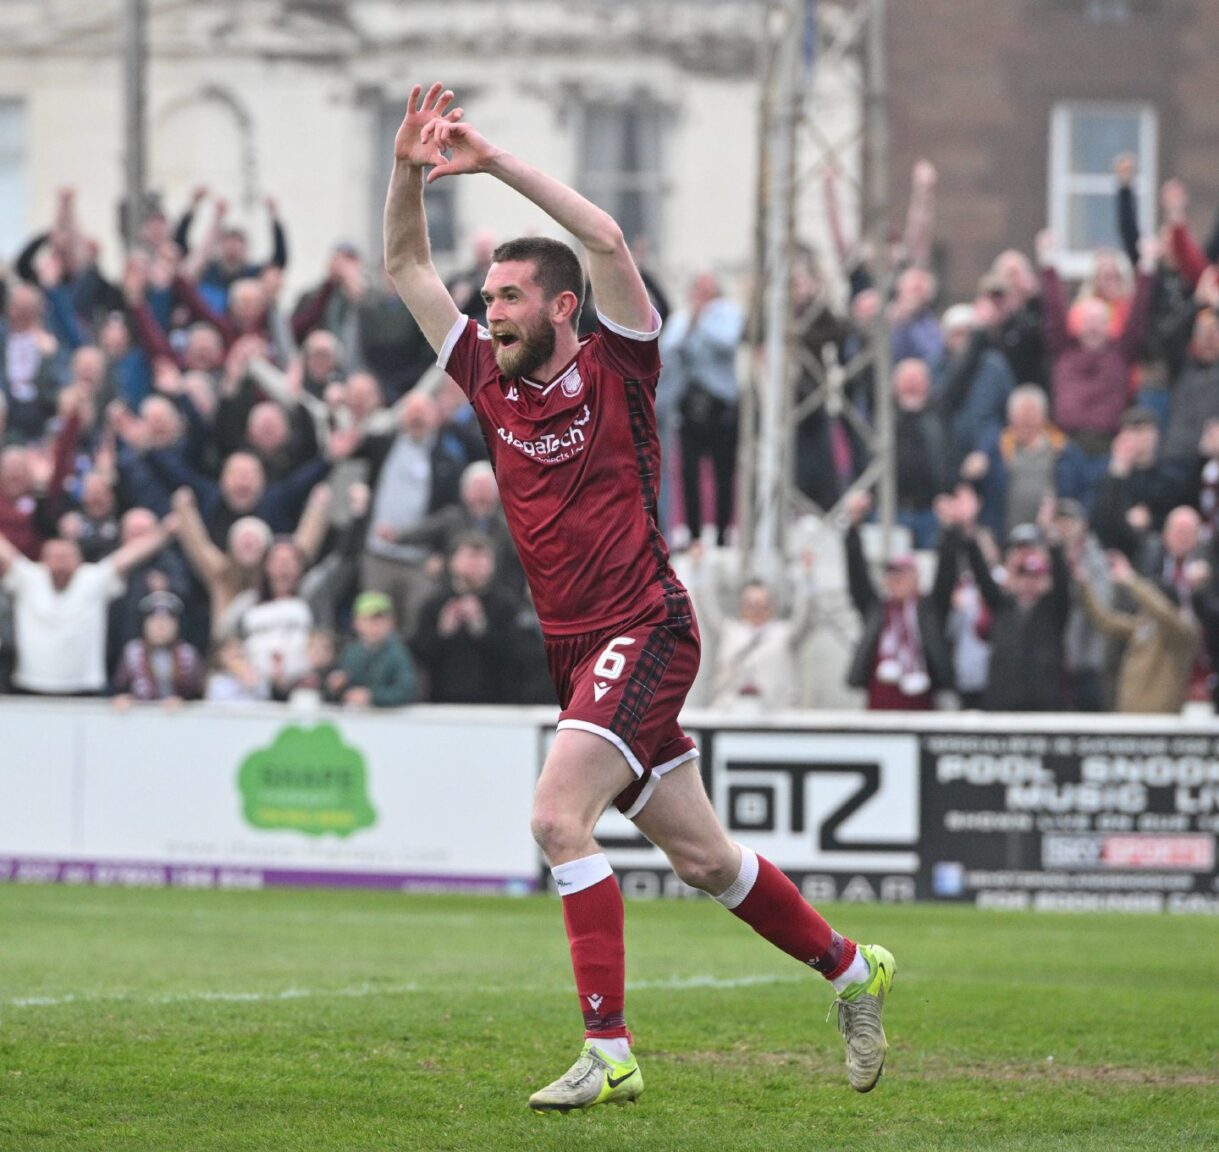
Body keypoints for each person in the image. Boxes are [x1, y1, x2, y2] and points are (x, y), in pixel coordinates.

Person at [383, 82, 895, 1112]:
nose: (490, 311)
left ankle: (608, 1049)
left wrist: (494, 162)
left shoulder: (620, 364)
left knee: (555, 817)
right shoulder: (486, 379)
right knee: (704, 860)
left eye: (509, 296)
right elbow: (404, 265)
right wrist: (406, 171)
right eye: (487, 298)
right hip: (574, 648)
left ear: (561, 307)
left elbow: (607, 239)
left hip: (644, 624)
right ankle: (852, 969)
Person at [328, 590, 418, 708]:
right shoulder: (350, 652)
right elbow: (334, 693)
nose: (375, 625)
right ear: (356, 623)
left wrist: (372, 696)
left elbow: (407, 691)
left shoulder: (398, 653)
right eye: (369, 620)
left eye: (381, 620)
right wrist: (334, 687)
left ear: (391, 622)